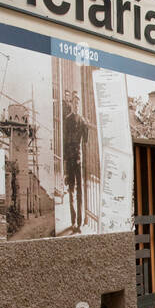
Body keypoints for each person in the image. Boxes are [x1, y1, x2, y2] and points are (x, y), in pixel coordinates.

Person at [62, 90, 88, 232]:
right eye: (74, 103)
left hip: (78, 158)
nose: (76, 105)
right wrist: (65, 162)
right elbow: (65, 141)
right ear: (71, 104)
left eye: (78, 103)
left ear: (80, 105)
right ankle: (73, 222)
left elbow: (86, 140)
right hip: (70, 158)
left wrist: (87, 127)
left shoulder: (83, 121)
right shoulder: (67, 120)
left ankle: (79, 223)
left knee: (80, 190)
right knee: (71, 189)